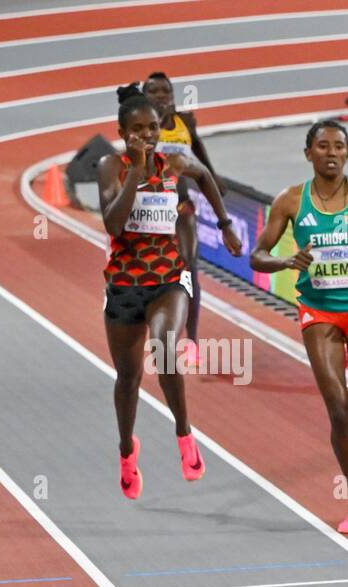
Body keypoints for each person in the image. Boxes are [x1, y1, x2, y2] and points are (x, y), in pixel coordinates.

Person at [249, 120, 348, 534]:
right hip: (318, 312)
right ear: (309, 154)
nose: (332, 152)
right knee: (338, 410)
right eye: (323, 146)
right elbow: (257, 255)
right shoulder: (290, 201)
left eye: (339, 145)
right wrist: (285, 262)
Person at [99, 85, 241, 498]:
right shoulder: (111, 167)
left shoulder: (175, 161)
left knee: (165, 348)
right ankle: (127, 451)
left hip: (166, 277)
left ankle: (184, 435)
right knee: (128, 378)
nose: (147, 136)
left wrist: (225, 222)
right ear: (123, 132)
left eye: (153, 128)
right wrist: (137, 177)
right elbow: (113, 224)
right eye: (138, 130)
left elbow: (206, 175)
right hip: (124, 282)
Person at [142, 72, 214, 369]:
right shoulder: (142, 126)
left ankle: (192, 341)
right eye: (154, 91)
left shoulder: (186, 121)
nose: (161, 95)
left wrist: (214, 179)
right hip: (151, 208)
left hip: (182, 207)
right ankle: (156, 332)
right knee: (153, 272)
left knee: (189, 269)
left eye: (165, 91)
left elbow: (198, 147)